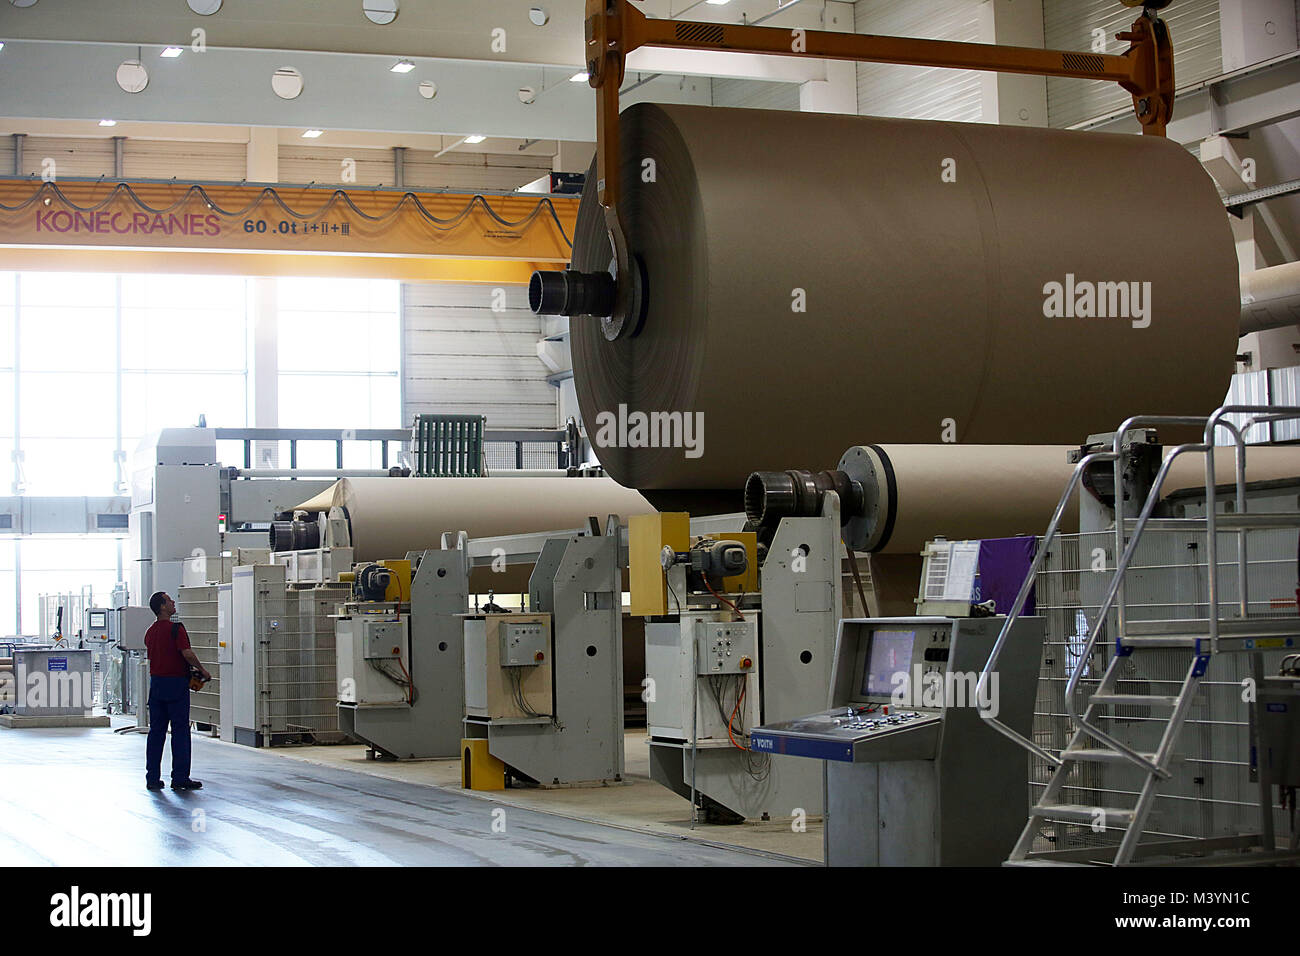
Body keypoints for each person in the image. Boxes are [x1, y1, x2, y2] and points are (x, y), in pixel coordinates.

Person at [143, 591, 210, 791]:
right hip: (176, 685)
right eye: (170, 600)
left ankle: (152, 778)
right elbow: (187, 653)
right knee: (180, 731)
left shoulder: (150, 632)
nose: (173, 603)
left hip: (156, 686)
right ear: (163, 607)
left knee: (156, 733)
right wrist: (202, 669)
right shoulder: (176, 629)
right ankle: (180, 777)